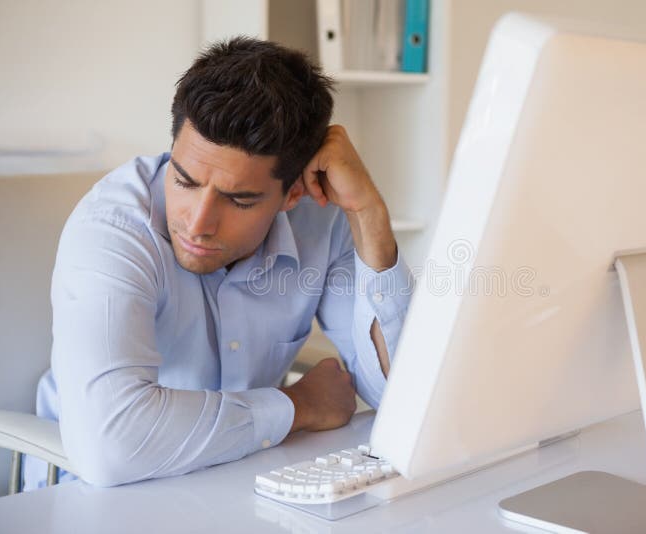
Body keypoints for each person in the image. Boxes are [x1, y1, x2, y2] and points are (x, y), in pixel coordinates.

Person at [24, 37, 413, 489]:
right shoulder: (113, 228)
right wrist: (297, 407)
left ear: (292, 195)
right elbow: (111, 447)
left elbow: (405, 400)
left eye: (238, 199)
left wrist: (369, 213)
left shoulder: (320, 221)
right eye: (184, 180)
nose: (198, 223)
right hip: (90, 494)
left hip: (237, 477)